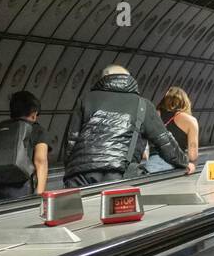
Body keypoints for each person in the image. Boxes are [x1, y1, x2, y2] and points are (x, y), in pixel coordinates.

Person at [64, 65, 193, 187]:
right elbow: (165, 142)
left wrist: (70, 169)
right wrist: (185, 163)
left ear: (103, 79)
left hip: (78, 176)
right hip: (119, 174)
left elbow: (72, 141)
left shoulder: (85, 99)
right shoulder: (143, 105)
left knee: (80, 210)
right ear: (129, 79)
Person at [0, 90, 50, 201]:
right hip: (18, 188)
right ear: (34, 114)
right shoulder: (37, 130)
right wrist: (39, 196)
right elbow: (40, 161)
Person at [144, 87, 198, 174]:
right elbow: (193, 155)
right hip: (177, 165)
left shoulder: (154, 115)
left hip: (152, 164)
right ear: (185, 102)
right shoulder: (190, 120)